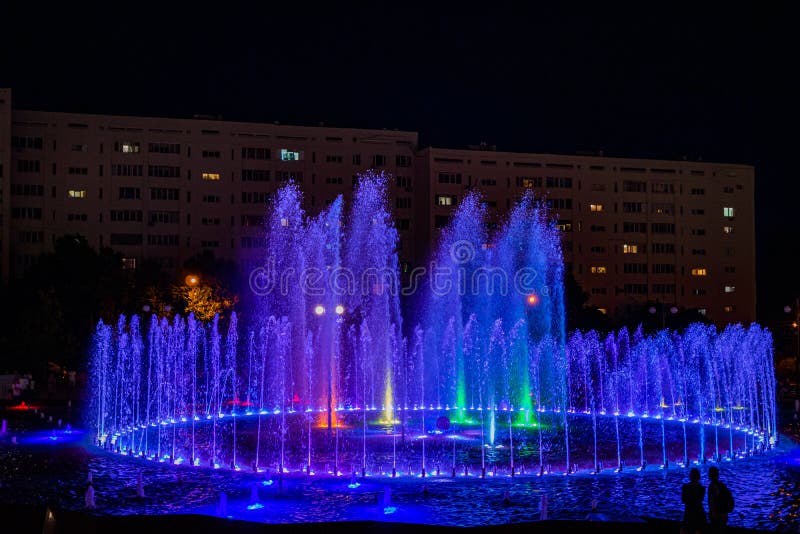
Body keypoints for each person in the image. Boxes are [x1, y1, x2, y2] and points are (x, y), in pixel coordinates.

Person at [681, 467, 706, 534]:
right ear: (699, 477)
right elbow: (701, 499)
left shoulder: (685, 487)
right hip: (698, 512)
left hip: (688, 512)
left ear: (690, 476)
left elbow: (683, 500)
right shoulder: (702, 488)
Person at [708, 466, 730, 533]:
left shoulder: (712, 486)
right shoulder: (722, 485)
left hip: (717, 514)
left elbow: (712, 500)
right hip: (724, 513)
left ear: (711, 475)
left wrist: (712, 513)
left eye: (709, 473)